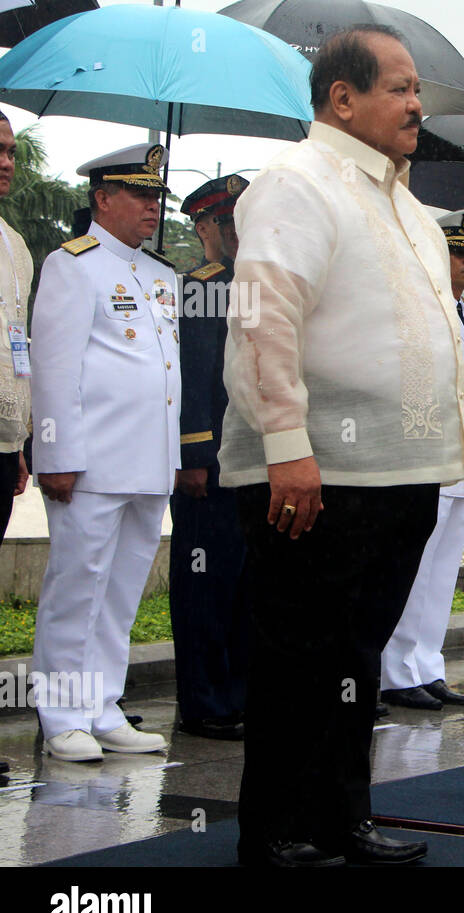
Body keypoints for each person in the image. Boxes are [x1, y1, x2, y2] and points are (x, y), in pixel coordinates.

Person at [220, 26, 464, 866]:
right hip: (318, 471)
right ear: (342, 98)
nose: (417, 105)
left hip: (401, 470)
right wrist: (287, 444)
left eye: (416, 90)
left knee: (357, 656)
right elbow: (262, 317)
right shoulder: (298, 182)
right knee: (300, 656)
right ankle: (277, 831)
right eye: (400, 89)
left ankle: (341, 819)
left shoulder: (406, 203)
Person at [29, 144, 179, 761]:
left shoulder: (162, 275)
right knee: (77, 586)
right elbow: (55, 366)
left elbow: (167, 369)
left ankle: (102, 704)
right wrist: (55, 454)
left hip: (149, 459)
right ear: (103, 198)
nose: (153, 206)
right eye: (141, 194)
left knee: (121, 590)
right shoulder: (74, 265)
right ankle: (61, 711)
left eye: (158, 196)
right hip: (90, 463)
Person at [379, 210, 464, 711]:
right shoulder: (417, 309)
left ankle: (427, 664)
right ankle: (397, 671)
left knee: (443, 571)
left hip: (461, 464)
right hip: (425, 459)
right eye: (457, 253)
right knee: (415, 569)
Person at [170, 174, 251, 741]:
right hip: (211, 463)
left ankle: (239, 695)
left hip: (254, 461)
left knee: (246, 586)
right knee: (205, 583)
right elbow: (192, 379)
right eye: (228, 222)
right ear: (204, 228)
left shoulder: (257, 283)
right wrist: (194, 454)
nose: (238, 231)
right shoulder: (199, 288)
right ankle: (203, 702)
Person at [0, 112, 31, 546]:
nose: (7, 162)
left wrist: (18, 442)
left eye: (9, 152)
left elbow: (18, 342)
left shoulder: (15, 244)